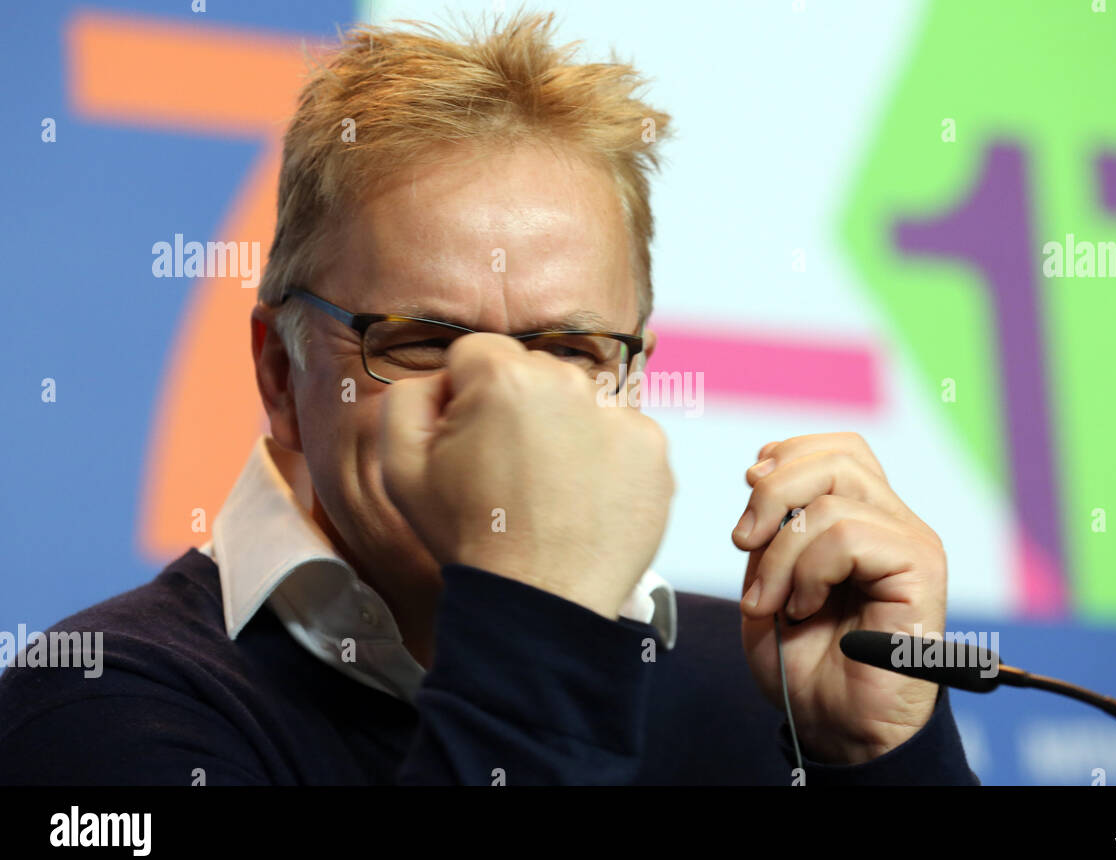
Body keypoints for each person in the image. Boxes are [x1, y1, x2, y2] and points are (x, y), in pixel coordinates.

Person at [0, 12, 977, 785]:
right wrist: (541, 616)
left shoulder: (771, 686)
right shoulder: (99, 702)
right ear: (280, 375)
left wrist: (881, 760)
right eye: (422, 342)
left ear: (630, 377)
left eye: (565, 350)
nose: (505, 403)